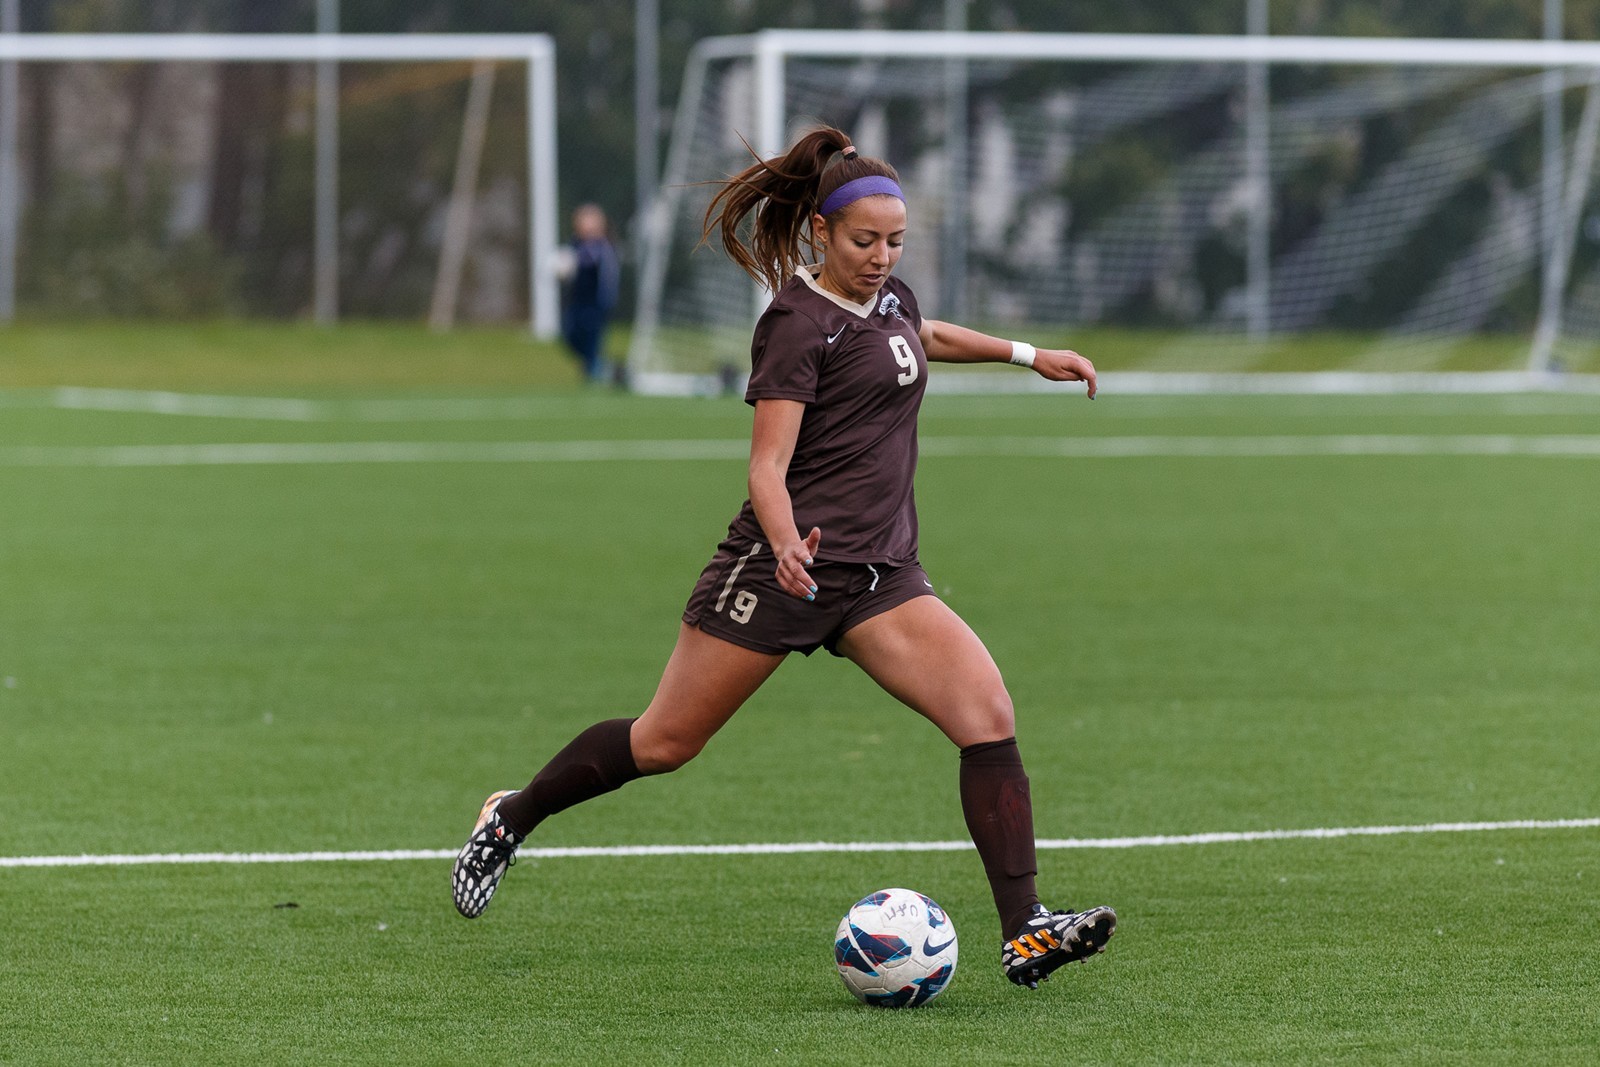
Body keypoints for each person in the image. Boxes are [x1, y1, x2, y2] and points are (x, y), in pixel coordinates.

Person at [452, 127, 1113, 990]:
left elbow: (924, 334)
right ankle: (512, 814)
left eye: (895, 242)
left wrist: (1030, 357)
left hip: (877, 577)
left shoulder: (889, 298)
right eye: (863, 242)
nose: (881, 258)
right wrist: (783, 544)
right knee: (663, 742)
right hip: (777, 571)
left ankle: (1024, 928)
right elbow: (766, 465)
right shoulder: (796, 324)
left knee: (986, 711)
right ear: (820, 235)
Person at [558, 203, 621, 382]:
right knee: (570, 336)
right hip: (577, 302)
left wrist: (607, 302)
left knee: (593, 342)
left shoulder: (603, 247)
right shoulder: (575, 245)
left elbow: (606, 275)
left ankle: (595, 375)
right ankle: (606, 369)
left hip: (596, 304)